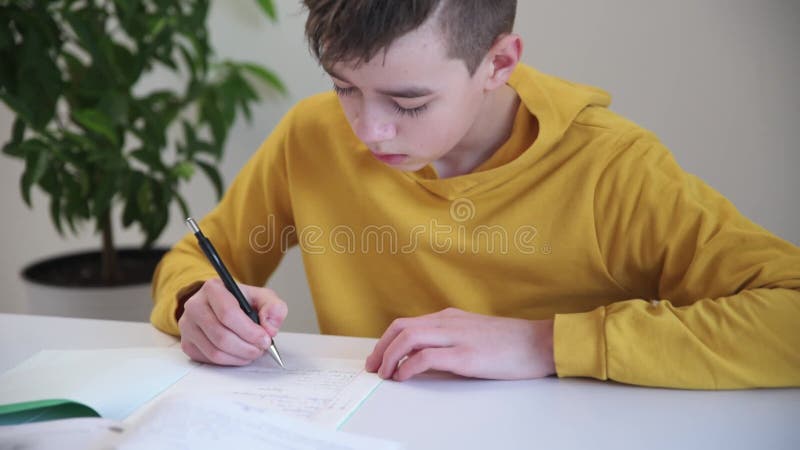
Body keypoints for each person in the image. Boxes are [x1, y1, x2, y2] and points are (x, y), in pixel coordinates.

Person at [151, 0, 800, 389]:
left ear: (500, 62)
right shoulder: (311, 135)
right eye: (345, 86)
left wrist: (542, 345)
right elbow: (197, 257)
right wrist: (194, 306)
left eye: (409, 101)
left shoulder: (613, 168)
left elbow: (788, 315)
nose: (367, 128)